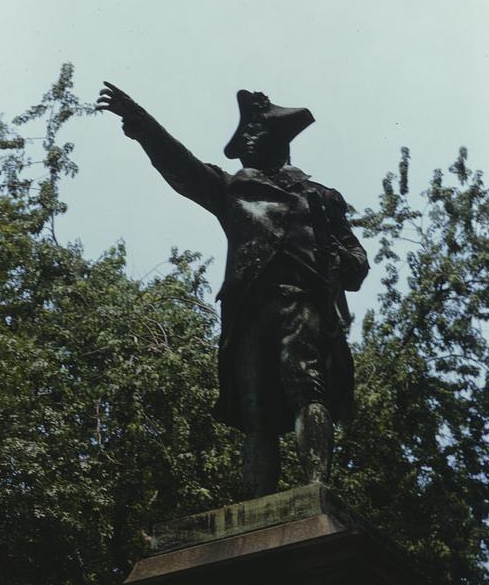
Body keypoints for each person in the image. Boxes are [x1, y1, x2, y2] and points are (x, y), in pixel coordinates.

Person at [97, 82, 369, 499]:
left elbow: (356, 260)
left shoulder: (321, 198)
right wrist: (140, 122)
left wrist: (342, 263)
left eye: (252, 136)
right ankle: (253, 508)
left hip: (300, 302)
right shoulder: (231, 190)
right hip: (247, 313)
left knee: (307, 389)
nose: (244, 145)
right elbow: (181, 167)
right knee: (255, 411)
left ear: (276, 141)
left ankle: (315, 490)